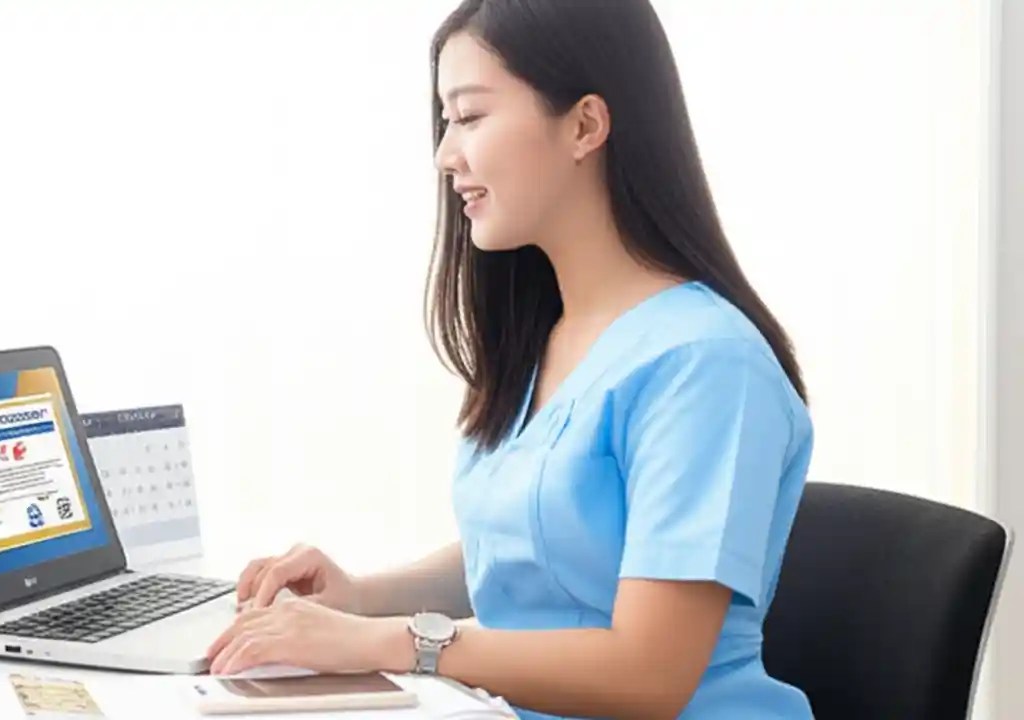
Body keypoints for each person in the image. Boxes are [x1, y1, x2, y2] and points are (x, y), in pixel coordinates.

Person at [205, 1, 815, 718]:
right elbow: (535, 554)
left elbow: (650, 674)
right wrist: (362, 599)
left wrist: (386, 641)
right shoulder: (549, 338)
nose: (445, 155)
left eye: (468, 117)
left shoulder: (706, 365)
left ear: (585, 124)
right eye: (444, 122)